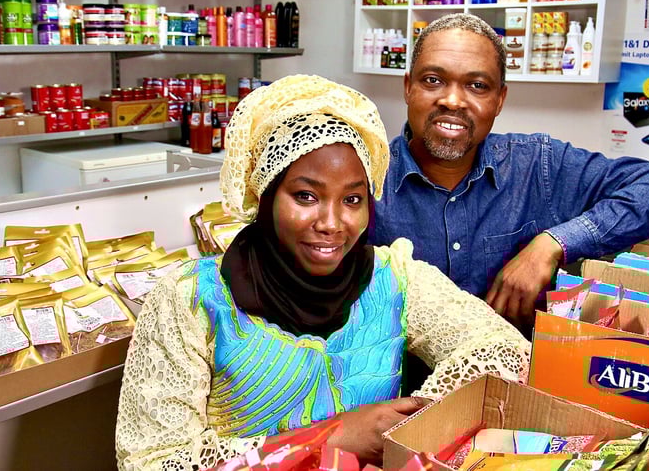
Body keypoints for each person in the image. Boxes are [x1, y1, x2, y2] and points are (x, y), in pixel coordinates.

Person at [115, 75, 529, 471]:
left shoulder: (394, 278)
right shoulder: (192, 298)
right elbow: (151, 460)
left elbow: (504, 350)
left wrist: (410, 421)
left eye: (352, 199)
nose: (332, 223)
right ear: (266, 193)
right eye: (306, 196)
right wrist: (328, 439)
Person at [372, 13, 649, 329]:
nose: (453, 100)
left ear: (500, 100)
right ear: (408, 87)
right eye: (433, 80)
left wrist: (554, 243)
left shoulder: (538, 167)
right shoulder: (367, 178)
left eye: (477, 85)